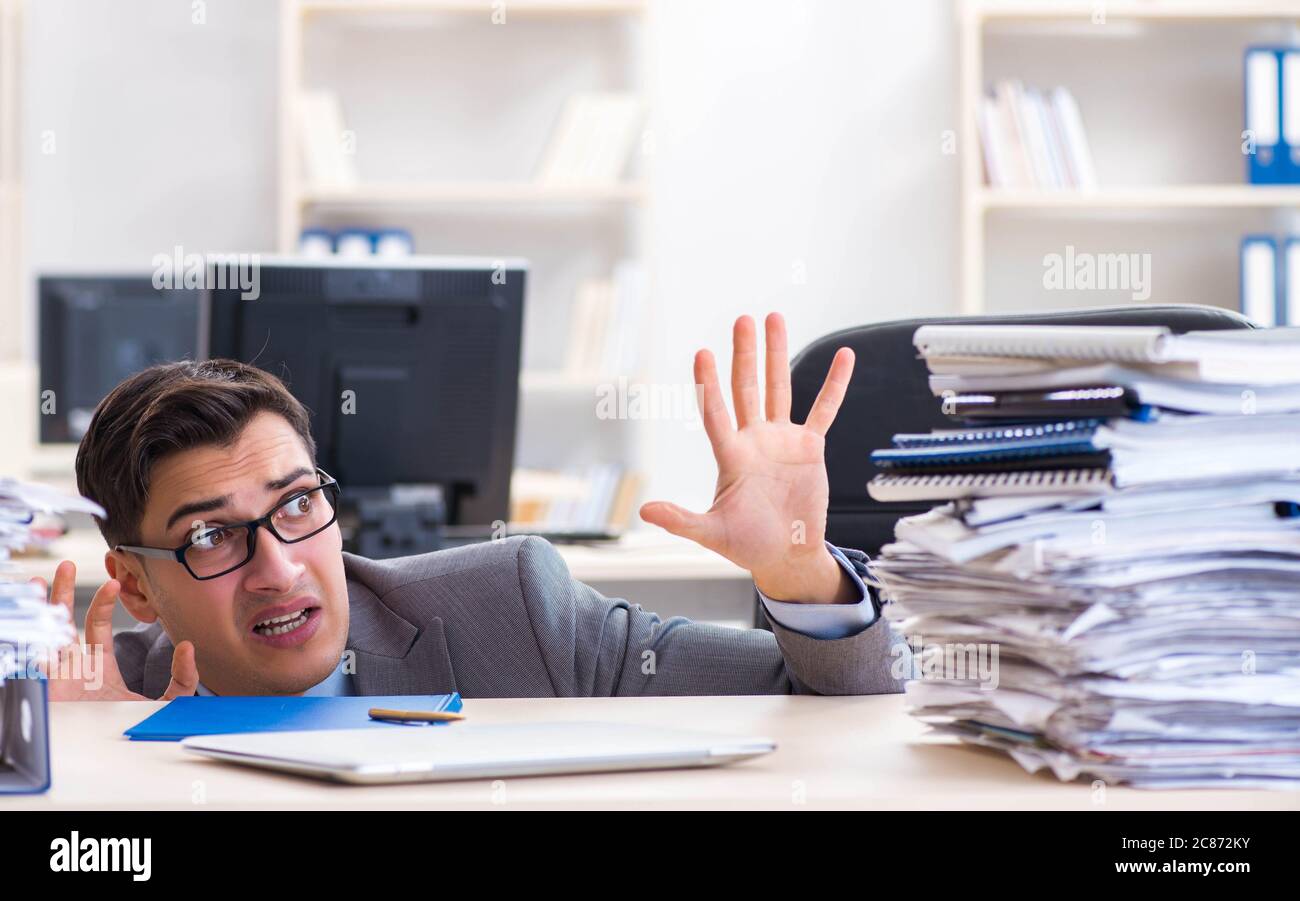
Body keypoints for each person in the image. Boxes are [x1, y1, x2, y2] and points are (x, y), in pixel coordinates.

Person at [40, 313, 907, 699]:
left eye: (298, 505)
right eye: (211, 536)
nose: (279, 567)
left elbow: (842, 697)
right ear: (137, 586)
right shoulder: (105, 705)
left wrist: (801, 573)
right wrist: (89, 779)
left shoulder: (512, 612)